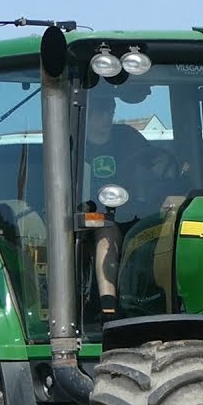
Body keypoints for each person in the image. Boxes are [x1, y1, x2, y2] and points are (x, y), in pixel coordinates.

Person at [84, 88, 149, 318]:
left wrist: (162, 165)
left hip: (136, 214)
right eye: (100, 112)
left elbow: (152, 161)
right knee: (107, 233)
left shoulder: (129, 138)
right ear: (87, 114)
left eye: (109, 111)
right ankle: (108, 305)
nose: (106, 118)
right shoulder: (74, 145)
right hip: (93, 218)